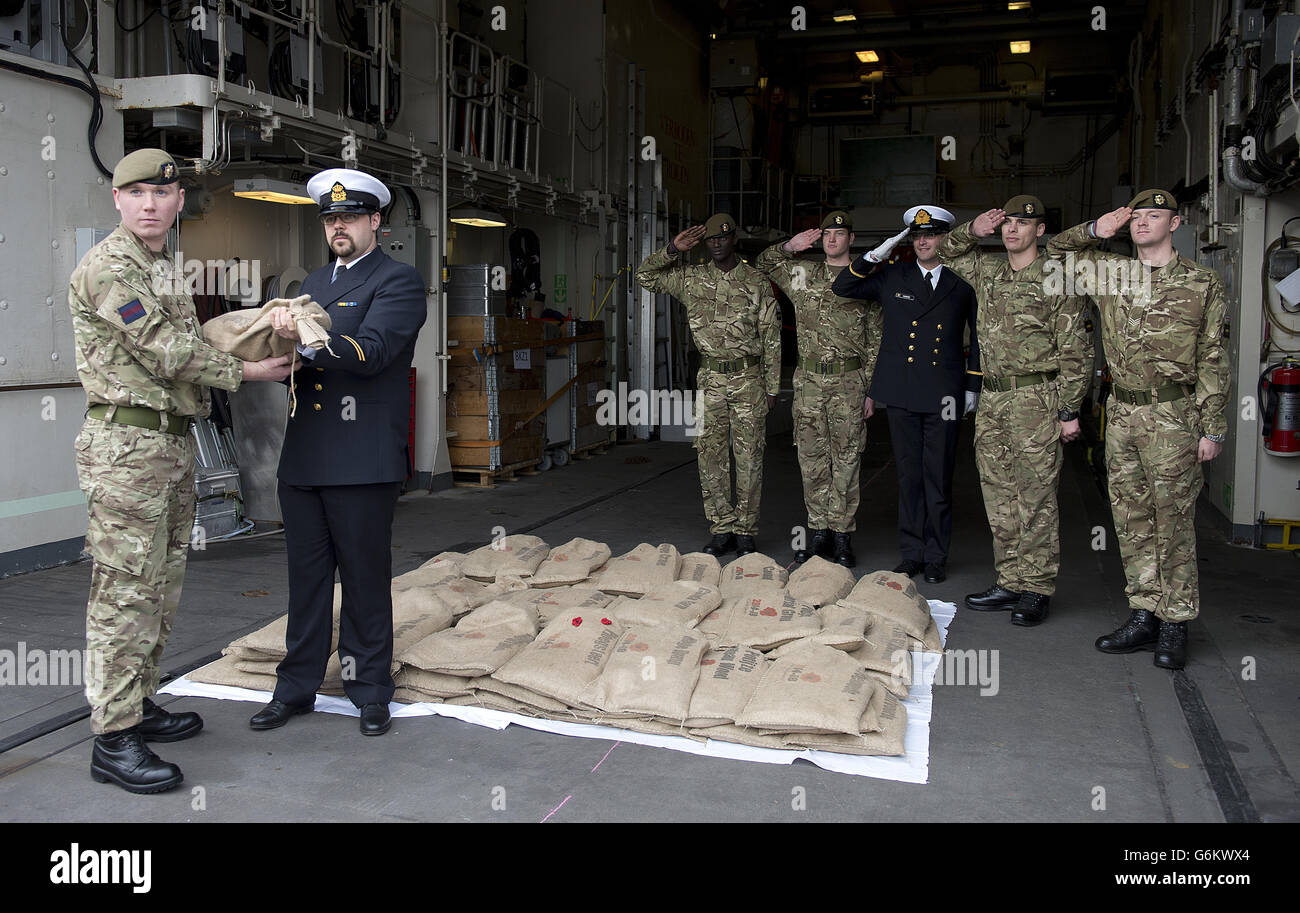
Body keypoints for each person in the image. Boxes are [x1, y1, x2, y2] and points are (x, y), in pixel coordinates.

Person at [68, 148, 293, 794]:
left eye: (162, 195)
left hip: (169, 446)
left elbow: (195, 340)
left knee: (160, 588)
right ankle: (112, 737)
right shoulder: (110, 268)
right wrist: (247, 371)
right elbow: (167, 351)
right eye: (136, 193)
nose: (149, 204)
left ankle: (137, 705)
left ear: (177, 203)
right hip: (126, 449)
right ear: (118, 199)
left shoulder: (164, 266)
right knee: (123, 594)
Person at [248, 167, 427, 735]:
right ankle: (295, 687)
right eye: (330, 219)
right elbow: (300, 368)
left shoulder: (398, 281)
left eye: (350, 217)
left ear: (376, 221)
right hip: (304, 458)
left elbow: (371, 353)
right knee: (306, 581)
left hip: (361, 458)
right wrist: (274, 357)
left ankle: (370, 688)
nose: (339, 227)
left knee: (364, 579)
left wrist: (303, 338)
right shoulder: (315, 285)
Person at [1050, 190, 1228, 669]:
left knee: (1173, 521)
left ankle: (1175, 622)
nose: (1143, 222)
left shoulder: (1201, 281)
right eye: (1137, 216)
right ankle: (1144, 612)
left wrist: (1212, 427)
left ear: (1175, 223)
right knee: (1130, 518)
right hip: (1123, 413)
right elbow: (1052, 255)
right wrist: (1095, 230)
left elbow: (1212, 357)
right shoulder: (1111, 273)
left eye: (1154, 215)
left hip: (1174, 415)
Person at [938, 196, 1092, 625]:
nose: (1011, 229)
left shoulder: (1057, 278)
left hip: (1036, 399)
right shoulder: (988, 272)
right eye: (1006, 222)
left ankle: (1037, 588)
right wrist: (974, 228)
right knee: (998, 493)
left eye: (1022, 223)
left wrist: (1068, 410)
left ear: (1039, 231)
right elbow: (944, 250)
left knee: (1037, 496)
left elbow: (1076, 352)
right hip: (993, 398)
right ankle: (1009, 580)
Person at [832, 205, 981, 582]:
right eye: (917, 236)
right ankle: (912, 553)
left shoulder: (963, 282)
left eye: (930, 234)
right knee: (909, 477)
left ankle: (936, 556)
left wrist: (972, 384)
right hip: (901, 391)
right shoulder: (892, 275)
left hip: (944, 394)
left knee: (939, 477)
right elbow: (842, 287)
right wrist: (875, 254)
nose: (923, 241)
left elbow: (979, 336)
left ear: (946, 238)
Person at [636, 213, 781, 557]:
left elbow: (771, 335)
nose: (716, 243)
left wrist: (773, 387)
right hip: (711, 380)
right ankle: (721, 528)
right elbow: (644, 275)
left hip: (749, 379)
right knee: (709, 455)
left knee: (749, 456)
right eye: (711, 239)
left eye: (723, 238)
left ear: (734, 240)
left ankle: (745, 529)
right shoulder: (692, 279)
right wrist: (672, 248)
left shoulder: (755, 280)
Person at [755, 211, 882, 567]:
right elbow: (766, 262)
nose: (831, 239)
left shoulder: (864, 277)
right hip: (809, 383)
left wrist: (872, 390)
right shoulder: (803, 274)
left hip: (850, 382)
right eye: (827, 233)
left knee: (846, 459)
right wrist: (792, 245)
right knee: (811, 459)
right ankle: (819, 532)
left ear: (851, 239)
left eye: (839, 233)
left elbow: (876, 339)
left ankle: (843, 535)